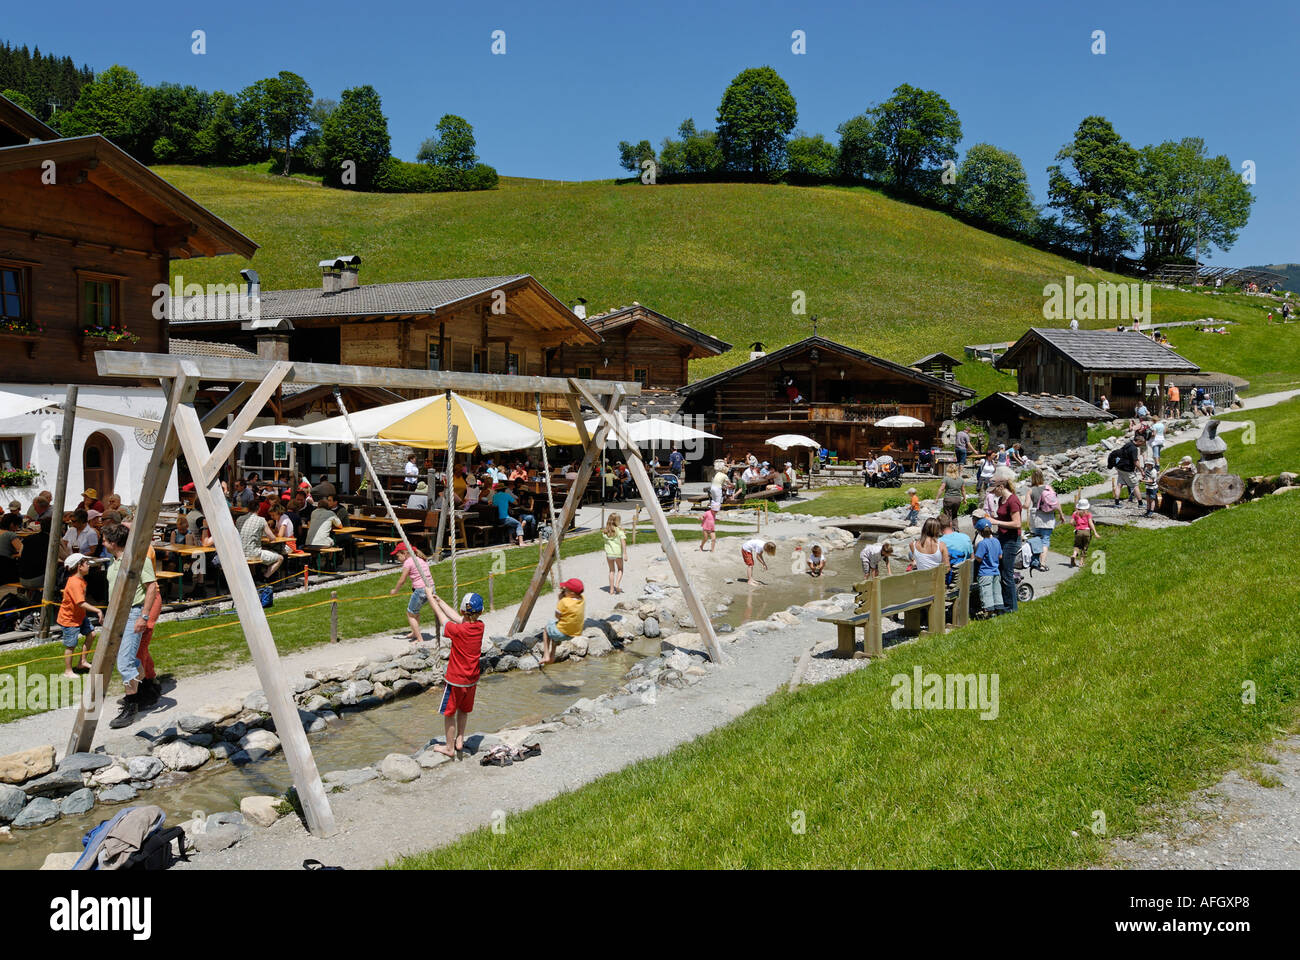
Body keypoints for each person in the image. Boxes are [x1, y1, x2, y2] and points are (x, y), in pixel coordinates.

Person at [101, 523, 158, 729]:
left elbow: (151, 587)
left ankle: (131, 706)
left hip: (133, 612)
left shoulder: (137, 560)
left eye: (105, 539)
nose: (103, 542)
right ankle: (147, 689)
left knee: (125, 662)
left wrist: (143, 616)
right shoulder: (114, 560)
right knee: (128, 659)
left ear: (114, 542)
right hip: (117, 614)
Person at [427, 592, 485, 758]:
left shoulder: (457, 630)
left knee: (449, 713)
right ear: (480, 612)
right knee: (464, 710)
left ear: (462, 611)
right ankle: (460, 739)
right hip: (471, 680)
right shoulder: (480, 627)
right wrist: (440, 600)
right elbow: (458, 618)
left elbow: (443, 618)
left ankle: (449, 748)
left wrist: (431, 600)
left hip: (455, 681)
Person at [57, 553, 99, 677]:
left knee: (91, 634)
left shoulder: (80, 580)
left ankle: (82, 662)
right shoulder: (75, 582)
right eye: (86, 563)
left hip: (79, 616)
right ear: (79, 566)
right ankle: (68, 671)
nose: (89, 566)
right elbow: (80, 603)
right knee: (71, 645)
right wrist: (97, 610)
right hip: (69, 619)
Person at [388, 542, 436, 643]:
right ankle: (415, 632)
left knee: (410, 613)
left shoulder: (408, 562)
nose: (397, 559)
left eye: (398, 556)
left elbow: (402, 580)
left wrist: (395, 590)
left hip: (421, 590)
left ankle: (419, 639)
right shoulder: (420, 559)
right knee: (415, 612)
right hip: (431, 588)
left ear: (404, 553)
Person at [989, 478, 1023, 614]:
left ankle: (1011, 607)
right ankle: (1005, 603)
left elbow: (1017, 523)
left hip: (1011, 539)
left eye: (994, 490)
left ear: (1001, 487)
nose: (993, 493)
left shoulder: (1013, 501)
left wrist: (995, 521)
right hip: (1003, 537)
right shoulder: (1002, 500)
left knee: (1007, 573)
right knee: (1002, 570)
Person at [1026, 469, 1064, 571]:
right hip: (1048, 517)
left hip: (1036, 516)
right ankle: (1042, 564)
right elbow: (1056, 503)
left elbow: (1026, 505)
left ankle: (1035, 561)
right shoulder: (1048, 488)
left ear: (1032, 478)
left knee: (1036, 539)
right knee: (1045, 541)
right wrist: (1061, 514)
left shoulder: (1031, 490)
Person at [542, 578, 585, 665]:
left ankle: (546, 654)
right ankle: (552, 656)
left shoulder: (564, 602)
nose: (563, 590)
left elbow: (557, 616)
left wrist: (560, 600)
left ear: (572, 593)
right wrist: (566, 594)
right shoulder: (582, 599)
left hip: (562, 633)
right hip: (572, 634)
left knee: (547, 628)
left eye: (565, 589)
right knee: (556, 625)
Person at [239, 509, 283, 578]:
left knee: (261, 550)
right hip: (253, 554)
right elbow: (272, 538)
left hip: (240, 553)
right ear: (259, 509)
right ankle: (264, 578)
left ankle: (256, 576)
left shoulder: (239, 519)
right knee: (280, 558)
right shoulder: (261, 520)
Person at [973, 518, 1003, 617]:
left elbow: (979, 559)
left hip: (985, 572)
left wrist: (974, 554)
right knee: (996, 592)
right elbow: (1000, 556)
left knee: (987, 594)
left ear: (980, 532)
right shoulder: (997, 541)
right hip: (996, 571)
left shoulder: (982, 543)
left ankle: (989, 613)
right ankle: (998, 610)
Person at [492, 481, 533, 547]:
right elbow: (516, 503)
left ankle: (511, 539)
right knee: (518, 524)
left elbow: (496, 505)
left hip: (496, 518)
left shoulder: (494, 496)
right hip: (504, 518)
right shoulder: (506, 495)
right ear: (504, 490)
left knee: (511, 523)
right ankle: (521, 542)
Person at [939, 516, 973, 585]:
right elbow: (972, 558)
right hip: (966, 576)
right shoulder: (965, 537)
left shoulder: (939, 543)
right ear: (951, 524)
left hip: (951, 581)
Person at [1111, 435, 1142, 504]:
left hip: (1120, 467)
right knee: (1135, 485)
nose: (1141, 445)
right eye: (1141, 443)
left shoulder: (1127, 444)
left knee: (1119, 485)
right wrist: (1141, 471)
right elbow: (1135, 461)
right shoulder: (1134, 449)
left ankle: (1116, 503)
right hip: (1128, 469)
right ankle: (1140, 503)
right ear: (1138, 441)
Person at [1070, 498, 1099, 567]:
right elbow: (1090, 523)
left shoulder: (1075, 513)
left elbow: (1071, 522)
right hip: (1087, 532)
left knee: (1077, 545)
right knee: (1084, 547)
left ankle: (1074, 555)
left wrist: (1075, 525)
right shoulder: (1088, 514)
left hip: (1078, 532)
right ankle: (1081, 562)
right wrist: (1095, 532)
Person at [603, 513, 626, 594]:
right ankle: (617, 584)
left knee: (611, 571)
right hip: (617, 554)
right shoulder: (619, 531)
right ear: (617, 521)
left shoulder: (605, 531)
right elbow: (623, 542)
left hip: (609, 554)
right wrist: (625, 553)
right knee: (620, 569)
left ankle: (611, 590)